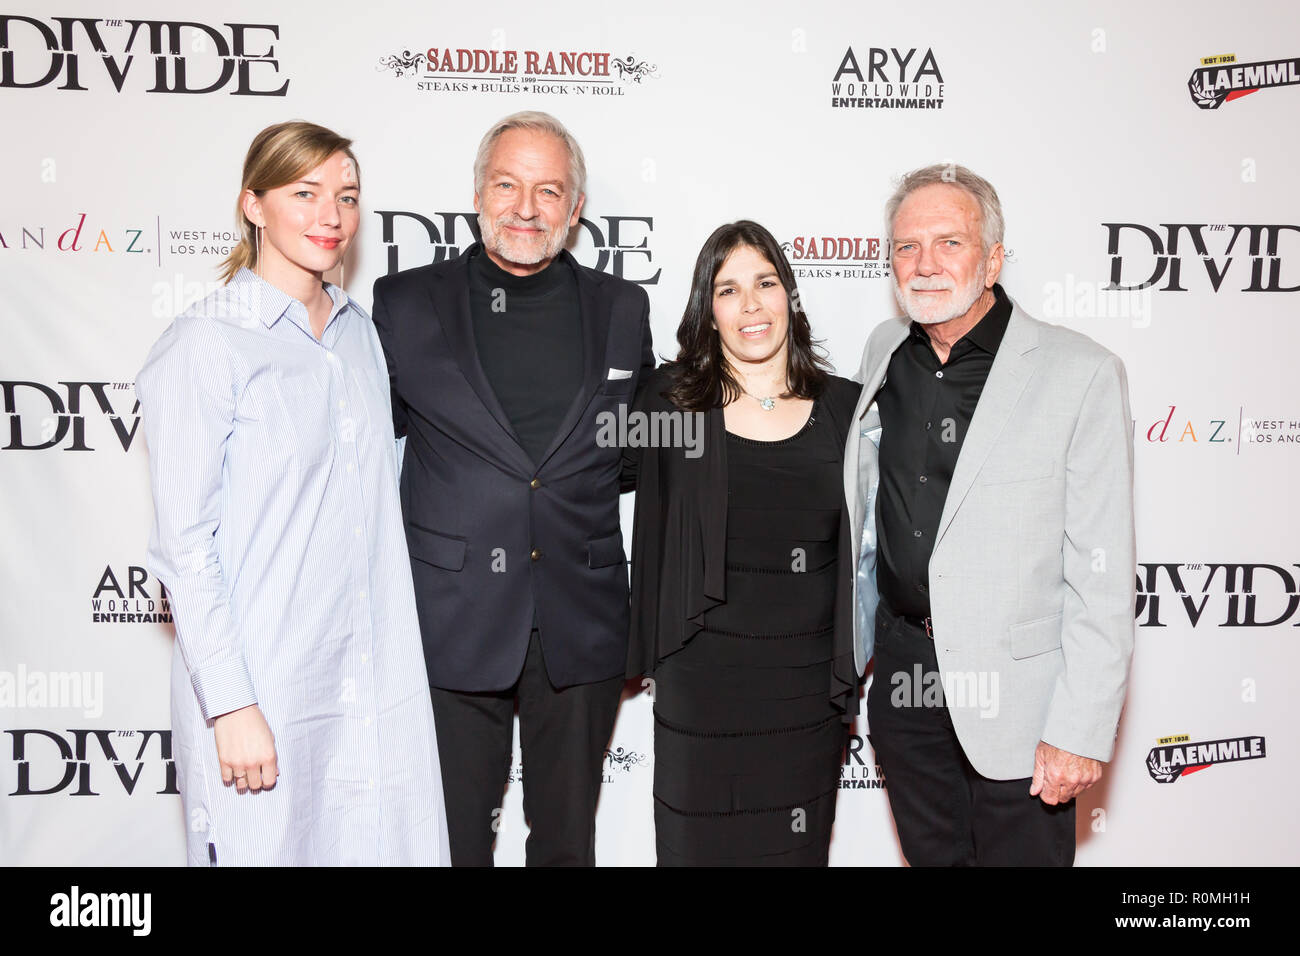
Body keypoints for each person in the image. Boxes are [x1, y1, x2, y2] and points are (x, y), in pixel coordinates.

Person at [136, 121, 450, 866]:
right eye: (304, 193)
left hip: (378, 693)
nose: (330, 216)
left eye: (346, 196)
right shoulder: (203, 346)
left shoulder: (361, 337)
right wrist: (233, 704)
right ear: (254, 205)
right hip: (269, 688)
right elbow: (184, 547)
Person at [370, 111, 654, 866]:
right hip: (451, 618)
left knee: (567, 843)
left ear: (576, 207)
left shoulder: (623, 310)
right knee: (455, 839)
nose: (526, 207)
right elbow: (365, 446)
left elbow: (636, 449)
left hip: (581, 618)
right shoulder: (403, 304)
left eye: (548, 190)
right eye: (507, 184)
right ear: (477, 192)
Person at [846, 163, 1136, 866]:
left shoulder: (1080, 372)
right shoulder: (885, 353)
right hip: (907, 676)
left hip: (1024, 699)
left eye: (949, 242)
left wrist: (1079, 730)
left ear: (994, 257)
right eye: (906, 247)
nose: (924, 265)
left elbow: (1103, 572)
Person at [626, 220, 861, 866]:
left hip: (805, 699)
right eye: (728, 291)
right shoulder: (669, 406)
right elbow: (577, 479)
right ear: (708, 312)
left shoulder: (847, 409)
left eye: (765, 283)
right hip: (700, 693)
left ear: (790, 294)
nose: (751, 305)